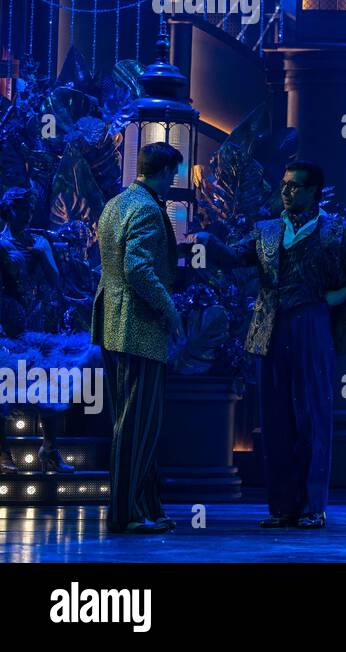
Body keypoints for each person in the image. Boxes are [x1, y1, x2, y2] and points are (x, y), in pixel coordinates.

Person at [198, 161, 346, 530]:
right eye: (285, 185)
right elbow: (234, 257)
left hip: (312, 322)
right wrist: (206, 240)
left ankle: (312, 506)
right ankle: (282, 507)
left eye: (295, 186)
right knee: (276, 420)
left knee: (313, 417)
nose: (286, 192)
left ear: (314, 191)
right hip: (272, 328)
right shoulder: (267, 230)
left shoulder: (339, 230)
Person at [93, 142, 183, 534]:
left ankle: (141, 507)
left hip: (114, 325)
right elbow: (138, 269)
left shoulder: (116, 203)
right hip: (138, 326)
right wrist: (170, 310)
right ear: (163, 171)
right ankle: (129, 512)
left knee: (129, 420)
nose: (173, 180)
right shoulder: (146, 208)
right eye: (173, 173)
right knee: (138, 423)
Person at [0, 187, 85, 474]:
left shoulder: (39, 242)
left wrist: (41, 254)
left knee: (48, 385)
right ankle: (3, 453)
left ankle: (49, 450)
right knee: (5, 386)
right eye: (22, 208)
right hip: (8, 321)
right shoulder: (1, 244)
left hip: (36, 322)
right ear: (9, 210)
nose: (27, 214)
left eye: (30, 208)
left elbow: (56, 282)